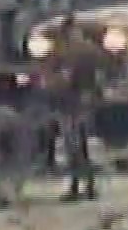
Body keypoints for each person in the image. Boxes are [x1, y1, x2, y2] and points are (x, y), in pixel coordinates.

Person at [43, 14, 105, 202]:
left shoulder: (69, 51)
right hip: (83, 101)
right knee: (81, 145)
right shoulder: (90, 49)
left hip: (72, 103)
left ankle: (77, 186)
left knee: (74, 146)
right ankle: (89, 186)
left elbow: (63, 78)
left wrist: (52, 84)